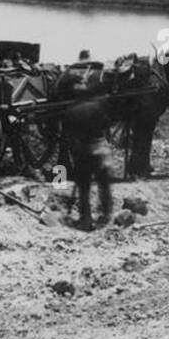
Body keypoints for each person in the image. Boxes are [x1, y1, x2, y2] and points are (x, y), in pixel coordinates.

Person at [61, 84, 113, 230]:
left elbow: (67, 135)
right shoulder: (98, 107)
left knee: (84, 188)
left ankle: (86, 219)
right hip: (100, 149)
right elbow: (107, 124)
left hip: (82, 152)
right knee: (104, 185)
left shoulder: (70, 111)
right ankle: (106, 216)